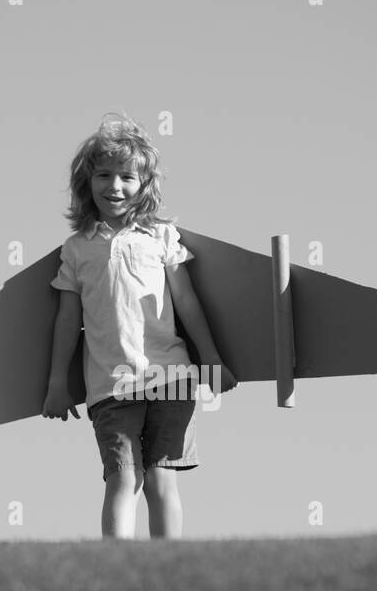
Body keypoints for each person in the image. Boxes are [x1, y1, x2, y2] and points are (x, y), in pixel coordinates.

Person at [43, 112, 237, 539]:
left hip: (171, 375)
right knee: (123, 477)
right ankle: (120, 564)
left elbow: (187, 303)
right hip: (110, 385)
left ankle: (166, 565)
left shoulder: (162, 237)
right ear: (86, 183)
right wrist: (57, 382)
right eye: (104, 176)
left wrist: (213, 361)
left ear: (144, 185)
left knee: (161, 477)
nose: (115, 186)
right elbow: (66, 319)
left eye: (127, 177)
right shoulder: (76, 250)